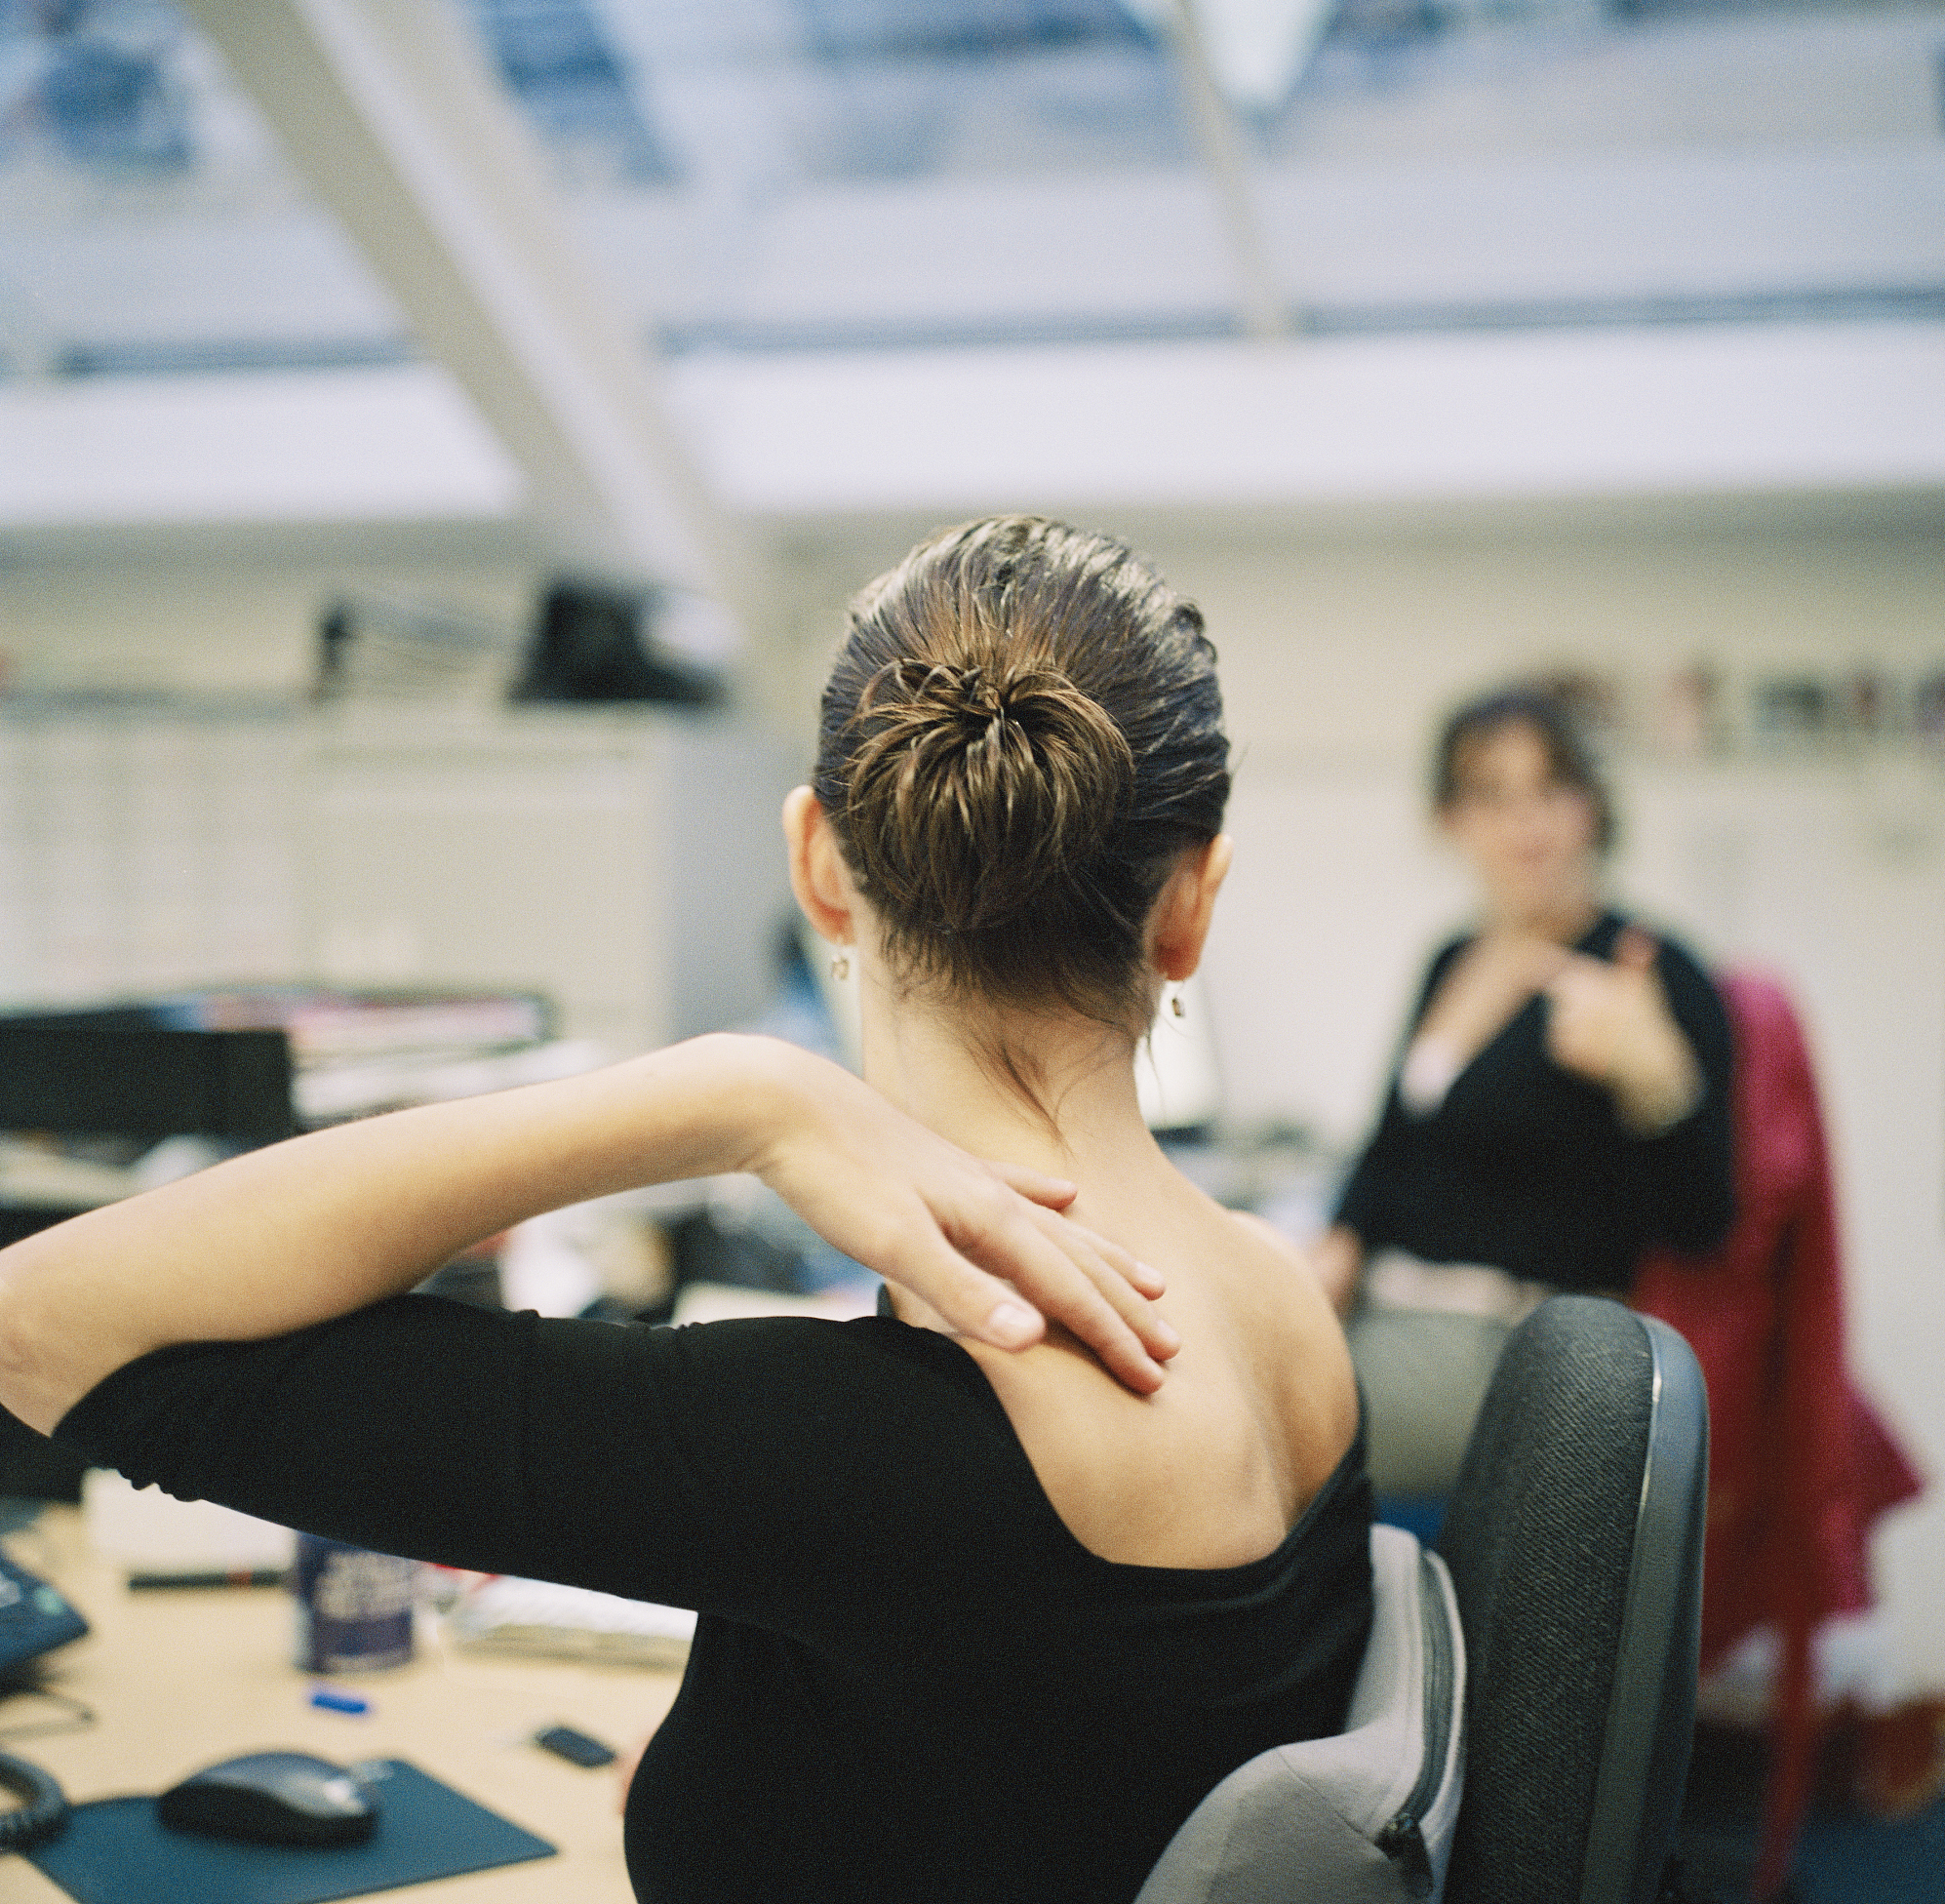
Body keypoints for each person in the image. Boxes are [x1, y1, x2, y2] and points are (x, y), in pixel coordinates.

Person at [0, 516, 1369, 1904]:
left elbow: (40, 1323)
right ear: (1192, 902)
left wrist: (735, 1098)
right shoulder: (1284, 1312)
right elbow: (1031, 1742)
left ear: (819, 866)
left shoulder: (854, 1446)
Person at [1311, 685, 1734, 1502]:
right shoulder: (1452, 958)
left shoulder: (1647, 966)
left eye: (1551, 790)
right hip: (1391, 1315)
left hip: (1517, 1350)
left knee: (1256, 1420)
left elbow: (1703, 1222)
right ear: (1451, 818)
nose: (1526, 821)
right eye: (1492, 794)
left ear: (1591, 809)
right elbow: (1391, 1146)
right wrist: (1338, 1243)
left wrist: (1657, 1085)